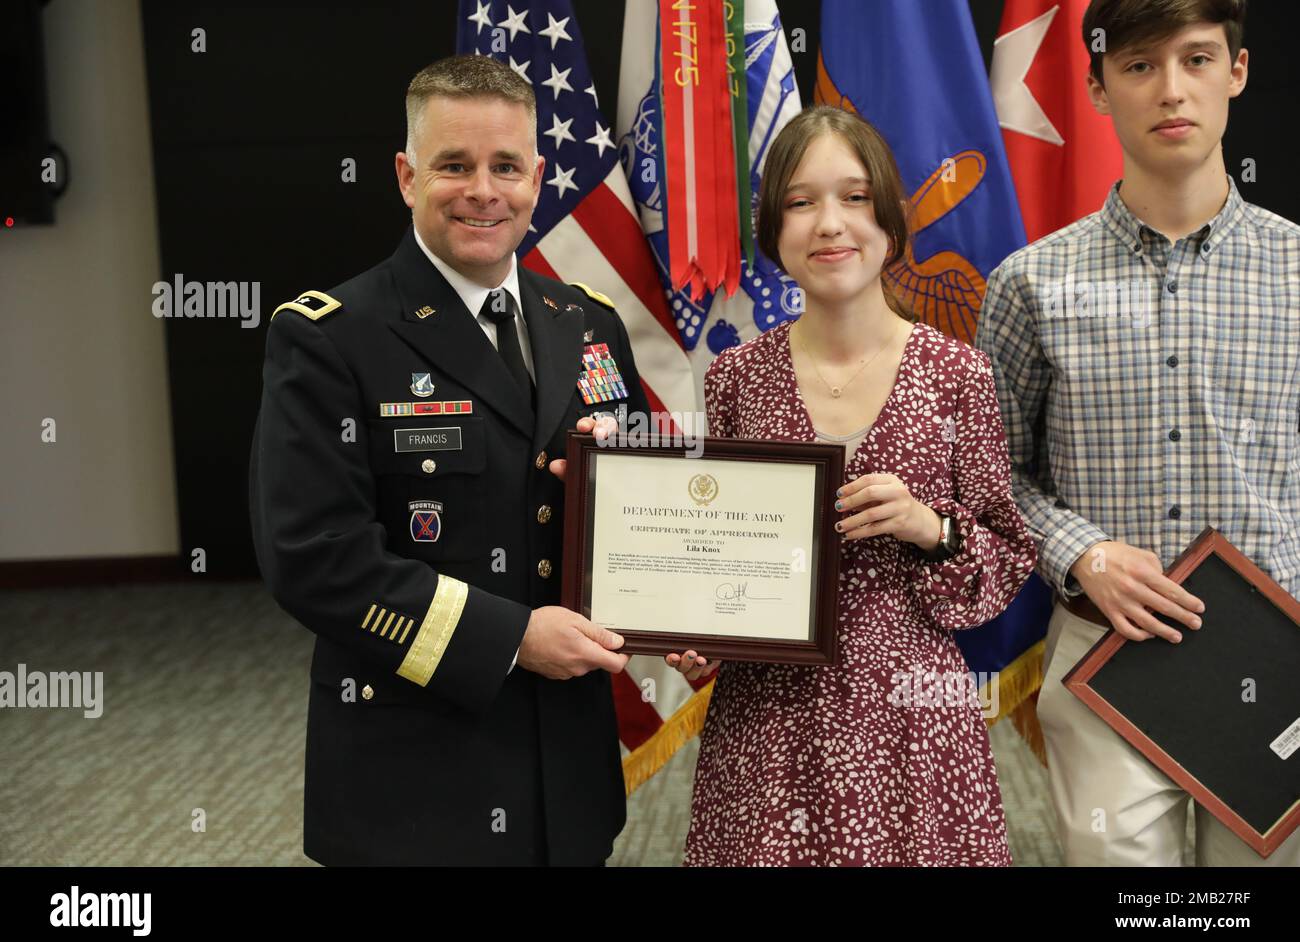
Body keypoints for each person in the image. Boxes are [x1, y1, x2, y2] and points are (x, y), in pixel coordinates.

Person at [248, 54, 651, 866]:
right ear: (405, 176)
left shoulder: (590, 323)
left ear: (537, 177)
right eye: (453, 166)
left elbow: (646, 508)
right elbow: (314, 558)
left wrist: (688, 607)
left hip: (566, 769)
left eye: (505, 166)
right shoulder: (332, 337)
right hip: (415, 779)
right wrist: (510, 639)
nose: (483, 190)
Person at [977, 0, 1300, 865]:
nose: (1172, 91)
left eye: (1197, 61)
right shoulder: (1029, 284)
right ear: (1095, 86)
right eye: (1140, 66)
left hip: (1280, 650)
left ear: (1236, 72)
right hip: (1105, 652)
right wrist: (1081, 553)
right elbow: (990, 474)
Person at [670, 105, 1038, 866]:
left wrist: (927, 526)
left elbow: (1005, 550)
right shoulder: (735, 378)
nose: (829, 223)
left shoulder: (958, 374)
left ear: (891, 221)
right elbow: (720, 555)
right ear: (773, 229)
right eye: (801, 202)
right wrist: (702, 633)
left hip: (914, 719)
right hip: (768, 725)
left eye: (854, 197)